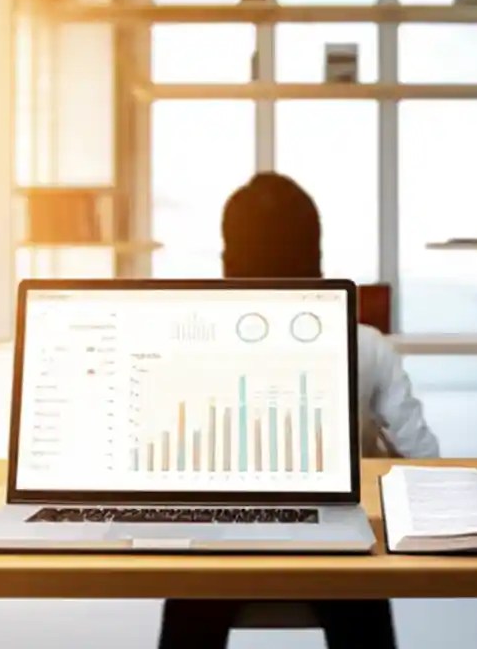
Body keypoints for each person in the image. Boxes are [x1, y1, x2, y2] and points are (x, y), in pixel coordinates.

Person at [157, 173, 440, 649]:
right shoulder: (366, 345)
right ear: (318, 257)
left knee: (191, 577)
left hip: (217, 556)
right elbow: (426, 464)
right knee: (358, 569)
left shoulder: (188, 347)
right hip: (336, 558)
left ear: (228, 258)